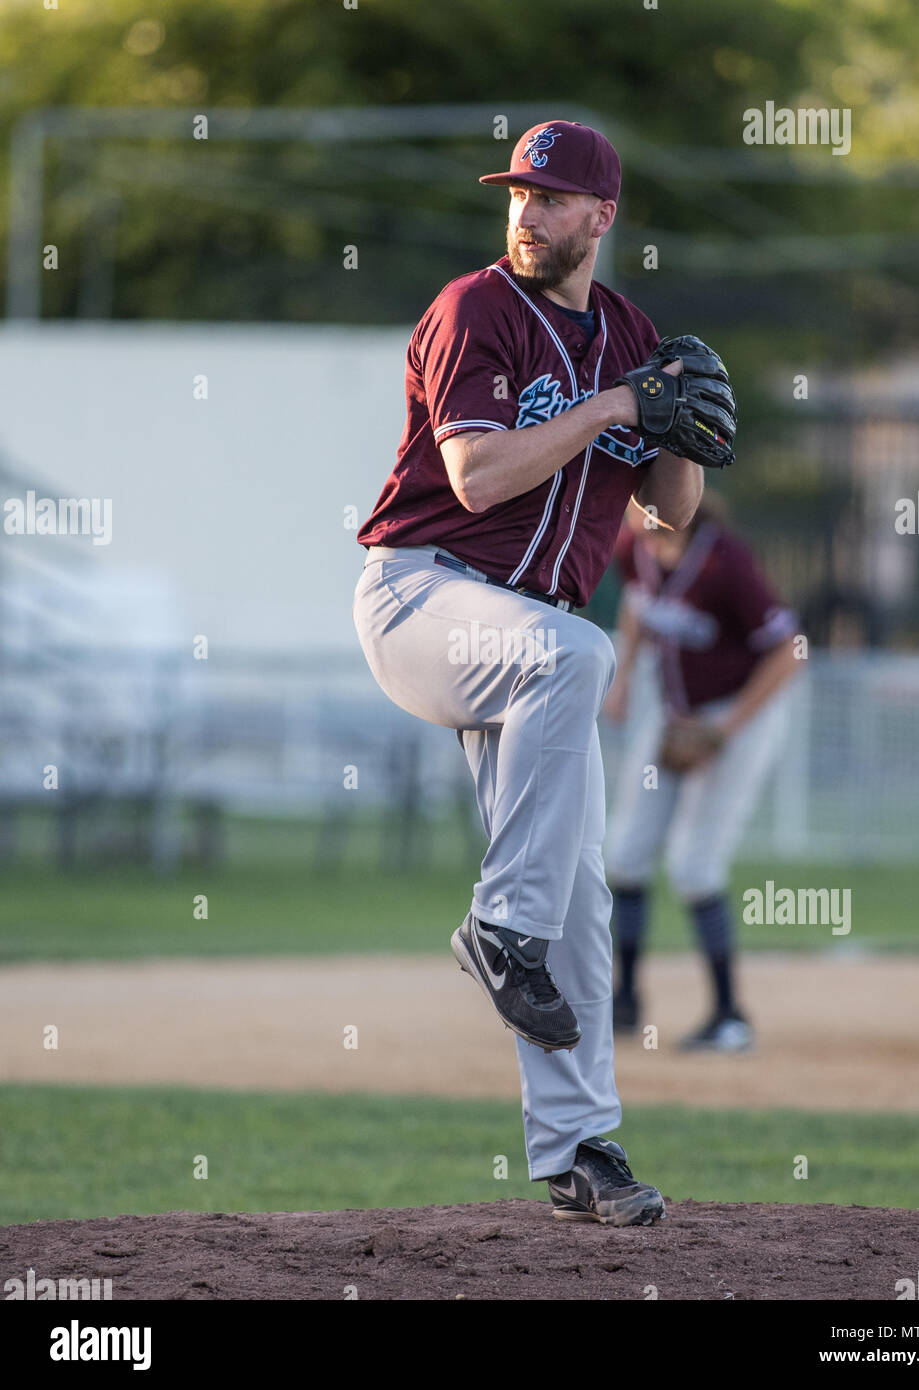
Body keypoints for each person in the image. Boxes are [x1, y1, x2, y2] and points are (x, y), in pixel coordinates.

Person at [351, 119, 716, 1227]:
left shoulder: (631, 332)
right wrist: (612, 407)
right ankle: (497, 925)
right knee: (580, 652)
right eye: (517, 191)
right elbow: (473, 477)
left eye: (552, 198)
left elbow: (669, 513)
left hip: (527, 646)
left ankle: (575, 1148)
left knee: (581, 899)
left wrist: (681, 438)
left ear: (601, 216)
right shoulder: (476, 310)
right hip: (422, 595)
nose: (526, 211)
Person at [602, 494, 801, 1049]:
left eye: (643, 494)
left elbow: (789, 651)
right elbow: (638, 608)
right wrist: (623, 681)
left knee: (694, 864)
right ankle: (625, 1002)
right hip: (674, 716)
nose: (631, 504)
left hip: (738, 718)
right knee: (625, 852)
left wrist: (723, 732)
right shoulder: (634, 550)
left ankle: (729, 1016)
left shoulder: (723, 562)